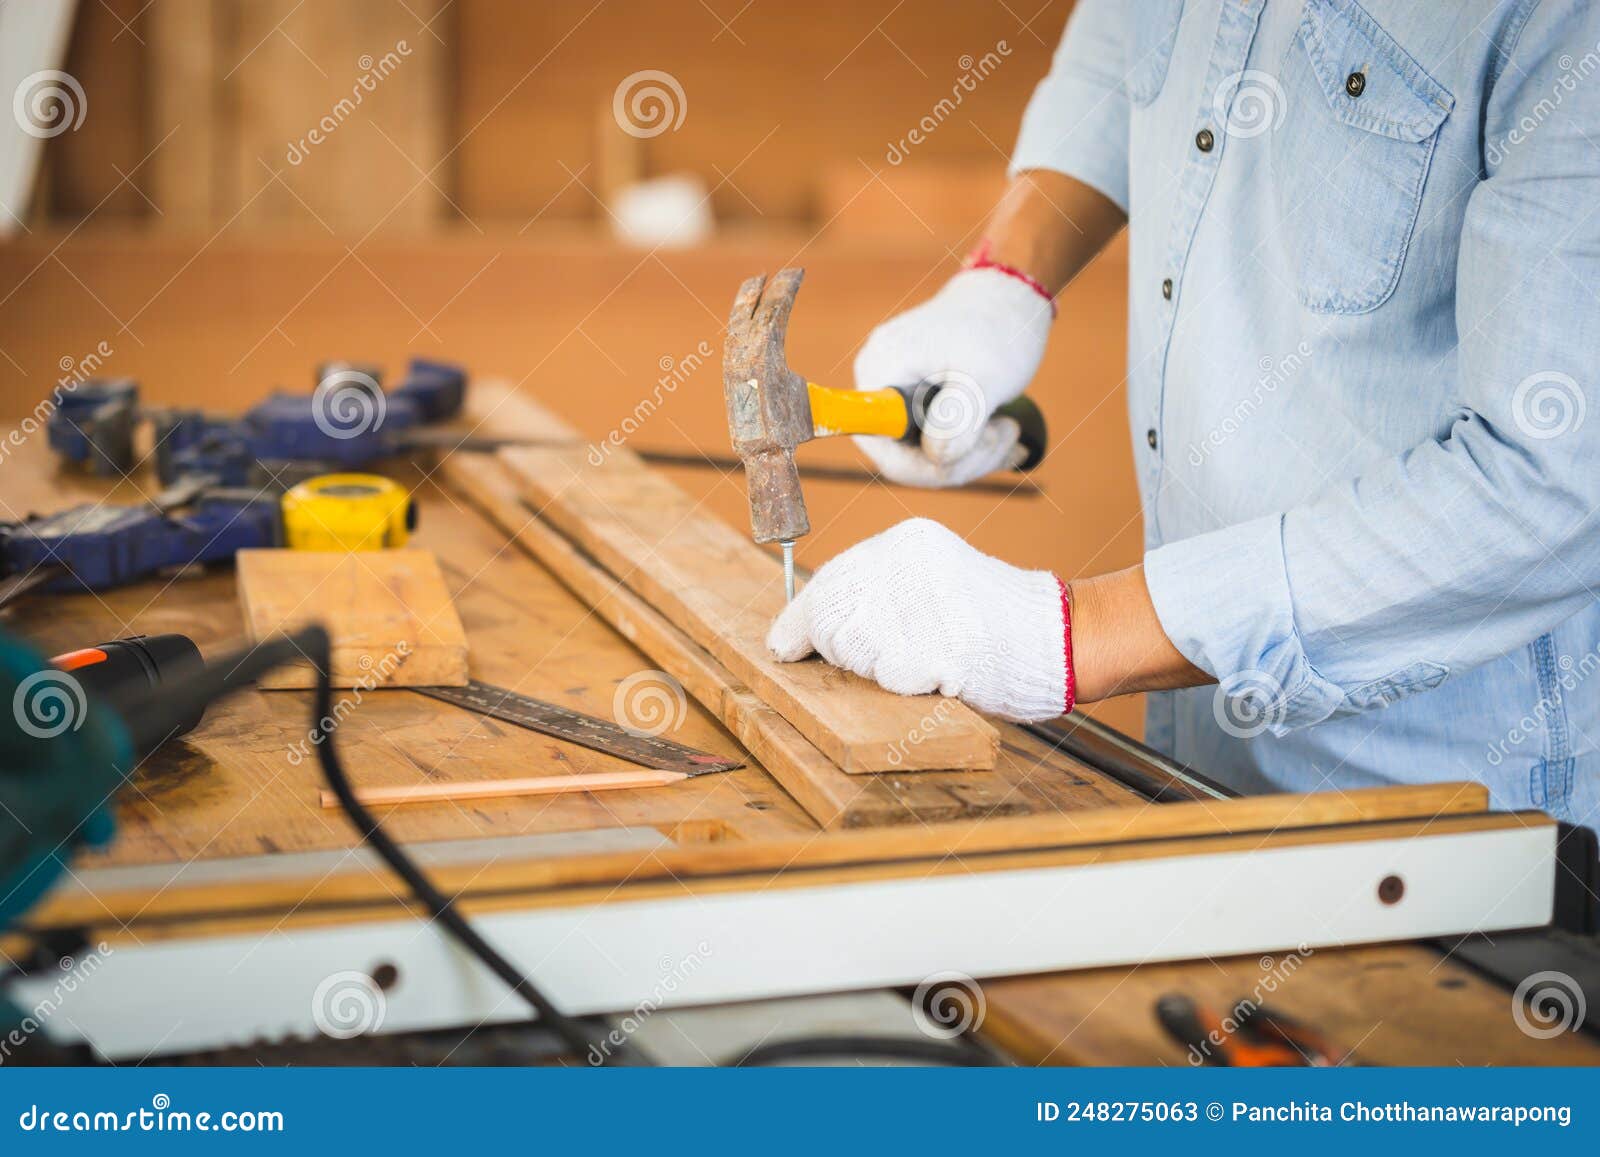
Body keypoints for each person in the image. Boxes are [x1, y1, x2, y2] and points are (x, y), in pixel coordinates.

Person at [767, 0, 1600, 829]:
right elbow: (1119, 50)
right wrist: (1003, 285)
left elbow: (1553, 482)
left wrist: (1071, 633)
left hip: (1447, 809)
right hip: (1197, 743)